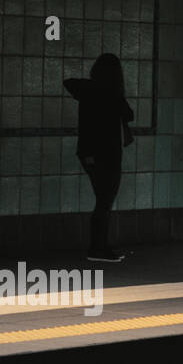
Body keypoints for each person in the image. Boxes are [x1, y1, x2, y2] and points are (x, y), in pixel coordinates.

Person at [63, 54, 134, 263]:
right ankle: (98, 248)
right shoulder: (112, 94)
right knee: (105, 201)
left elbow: (68, 82)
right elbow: (129, 115)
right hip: (108, 154)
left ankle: (100, 246)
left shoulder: (88, 90)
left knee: (102, 200)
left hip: (89, 153)